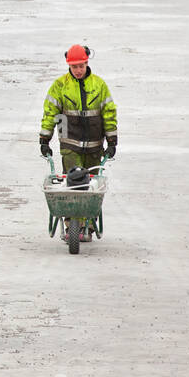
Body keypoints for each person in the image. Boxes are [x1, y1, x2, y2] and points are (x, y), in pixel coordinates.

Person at [40, 45, 117, 237]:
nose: (78, 70)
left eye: (81, 66)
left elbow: (109, 113)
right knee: (73, 184)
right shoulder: (60, 86)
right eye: (74, 67)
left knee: (90, 187)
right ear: (69, 66)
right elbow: (50, 112)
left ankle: (88, 227)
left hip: (94, 144)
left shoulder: (99, 85)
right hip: (69, 142)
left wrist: (112, 140)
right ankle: (71, 226)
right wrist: (44, 138)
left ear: (87, 63)